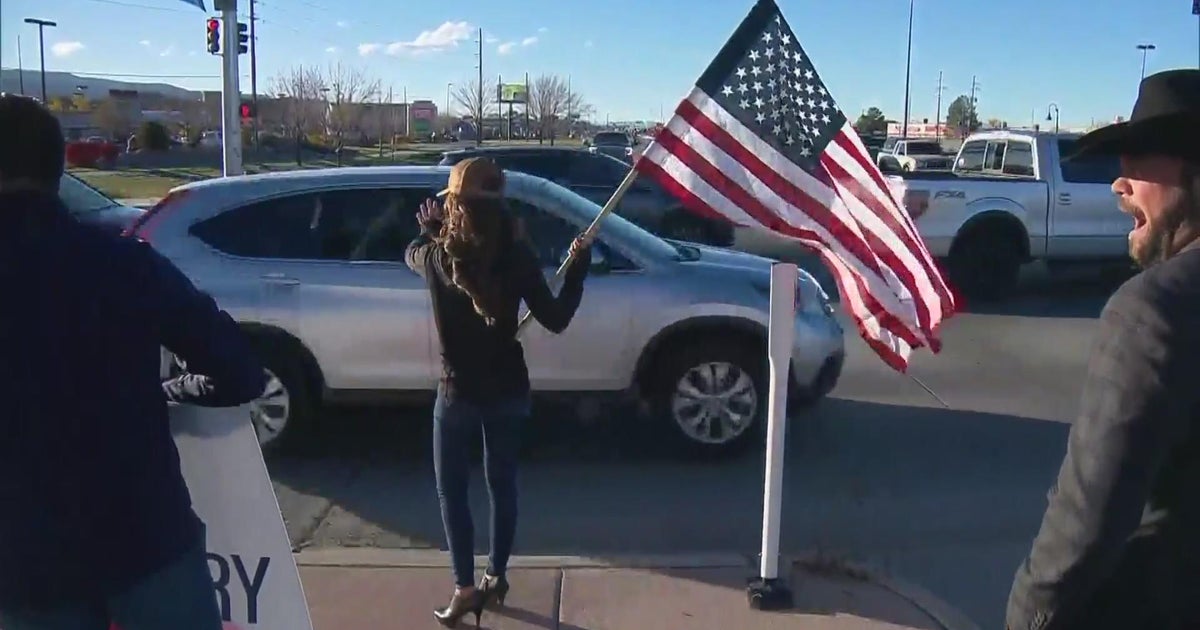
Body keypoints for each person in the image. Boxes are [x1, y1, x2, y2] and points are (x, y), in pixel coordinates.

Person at [0, 95, 266, 629]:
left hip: (24, 565)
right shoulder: (122, 265)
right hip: (146, 541)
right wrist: (170, 390)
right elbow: (239, 371)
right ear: (58, 170)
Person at [1006, 69, 1200, 630]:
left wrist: (1027, 619)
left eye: (1138, 160)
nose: (1119, 182)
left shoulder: (1153, 311)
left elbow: (1084, 523)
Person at [405, 157, 592, 628]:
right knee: (502, 485)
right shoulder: (518, 257)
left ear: (454, 205)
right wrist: (577, 270)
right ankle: (496, 576)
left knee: (452, 492)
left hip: (457, 394)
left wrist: (430, 231)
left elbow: (411, 252)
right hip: (508, 389)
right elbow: (556, 318)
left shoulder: (437, 259)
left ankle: (464, 589)